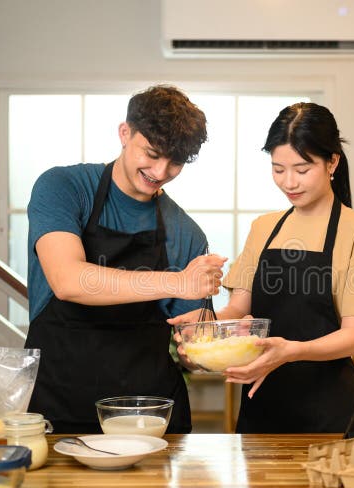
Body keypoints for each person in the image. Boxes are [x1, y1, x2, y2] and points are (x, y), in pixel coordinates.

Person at [170, 102, 354, 433]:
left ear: (332, 162)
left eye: (302, 170)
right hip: (261, 410)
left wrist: (289, 351)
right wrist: (204, 326)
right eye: (278, 169)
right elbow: (239, 310)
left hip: (329, 413)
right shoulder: (264, 228)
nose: (289, 182)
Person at [25, 85, 226, 434]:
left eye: (175, 162)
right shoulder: (64, 187)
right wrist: (178, 280)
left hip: (148, 419)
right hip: (58, 409)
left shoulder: (185, 233)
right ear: (125, 133)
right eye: (152, 153)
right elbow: (68, 280)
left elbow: (192, 351)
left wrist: (211, 348)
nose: (161, 172)